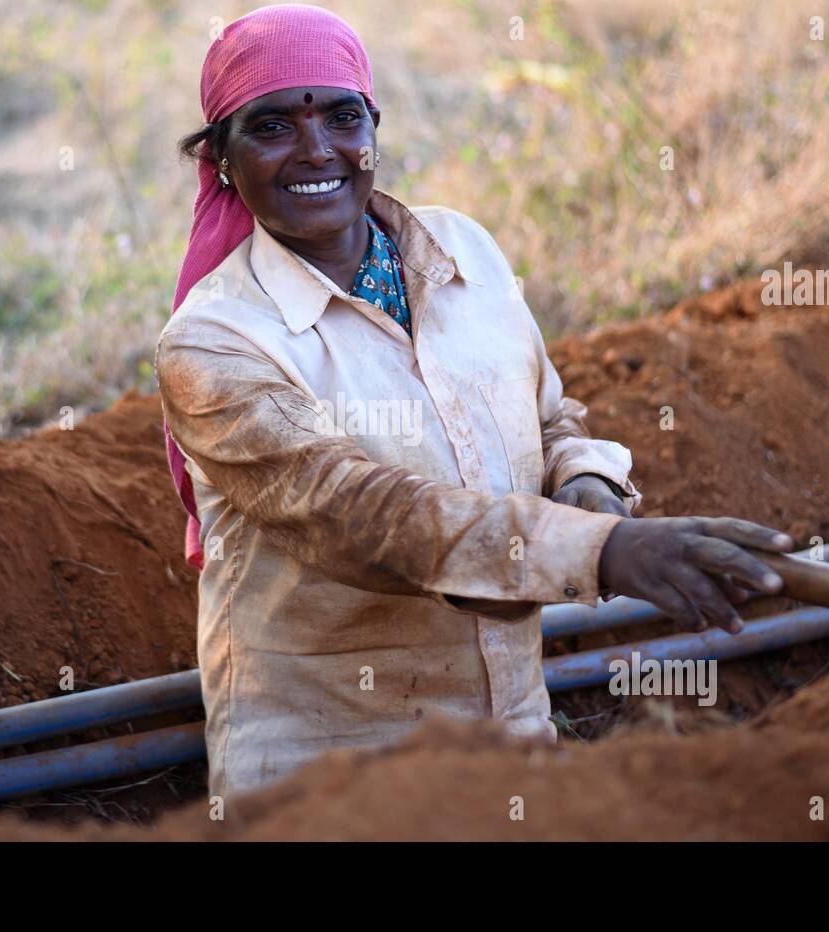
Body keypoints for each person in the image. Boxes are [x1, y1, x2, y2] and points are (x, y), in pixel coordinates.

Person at [155, 4, 793, 798]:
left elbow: (551, 418)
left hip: (514, 740)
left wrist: (586, 492)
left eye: (342, 117)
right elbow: (363, 519)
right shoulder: (214, 343)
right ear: (221, 158)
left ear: (374, 129)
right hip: (328, 774)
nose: (316, 150)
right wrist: (602, 553)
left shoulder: (464, 251)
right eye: (272, 126)